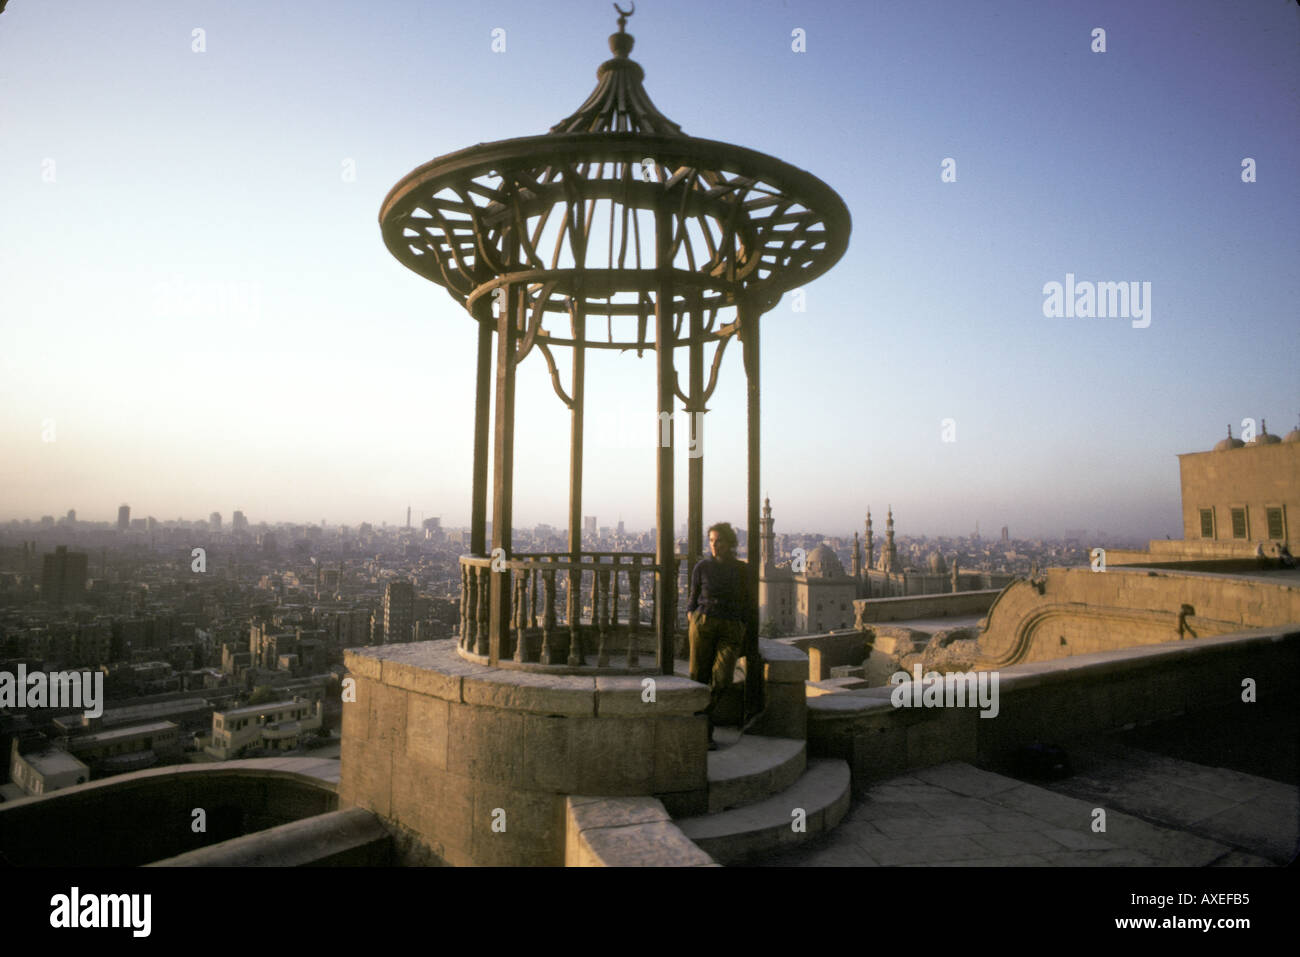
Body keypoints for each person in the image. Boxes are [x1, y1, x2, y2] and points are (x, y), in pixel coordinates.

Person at [687, 522, 749, 750]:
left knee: (722, 678)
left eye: (718, 541)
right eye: (711, 541)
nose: (714, 545)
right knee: (698, 675)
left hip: (730, 625)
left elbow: (747, 601)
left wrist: (742, 625)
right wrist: (692, 616)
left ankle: (702, 718)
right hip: (704, 622)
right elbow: (693, 597)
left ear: (729, 543)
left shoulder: (741, 570)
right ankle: (704, 729)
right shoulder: (702, 567)